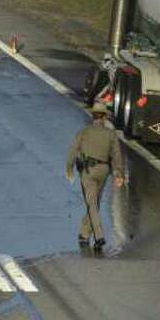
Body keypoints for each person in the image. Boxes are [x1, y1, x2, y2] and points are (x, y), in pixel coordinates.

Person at [66, 104, 127, 254]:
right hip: (104, 171)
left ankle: (99, 236)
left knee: (91, 203)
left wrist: (69, 169)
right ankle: (84, 233)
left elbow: (72, 151)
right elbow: (117, 156)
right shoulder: (111, 134)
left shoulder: (84, 132)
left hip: (88, 171)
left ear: (93, 116)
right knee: (95, 201)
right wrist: (119, 174)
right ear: (104, 117)